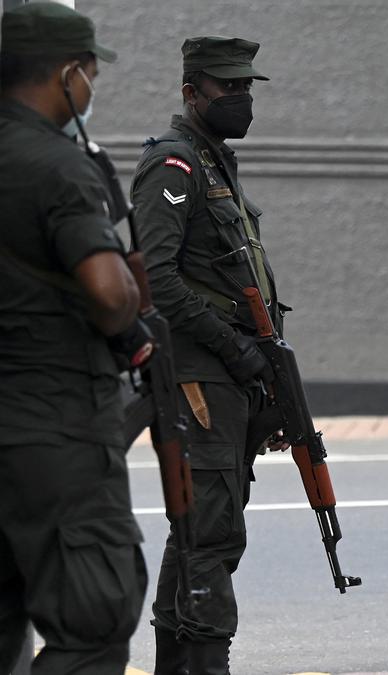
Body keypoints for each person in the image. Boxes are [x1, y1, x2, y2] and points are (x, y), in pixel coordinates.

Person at [0, 3, 151, 672]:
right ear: (67, 74)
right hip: (54, 423)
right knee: (91, 618)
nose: (91, 86)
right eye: (90, 72)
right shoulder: (58, 166)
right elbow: (112, 298)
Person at [129, 36, 281, 675]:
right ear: (192, 93)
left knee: (200, 531)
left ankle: (176, 664)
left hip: (230, 370)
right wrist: (234, 349)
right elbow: (154, 280)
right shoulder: (175, 166)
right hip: (198, 374)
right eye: (228, 88)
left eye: (248, 87)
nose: (242, 99)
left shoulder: (214, 162)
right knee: (212, 532)